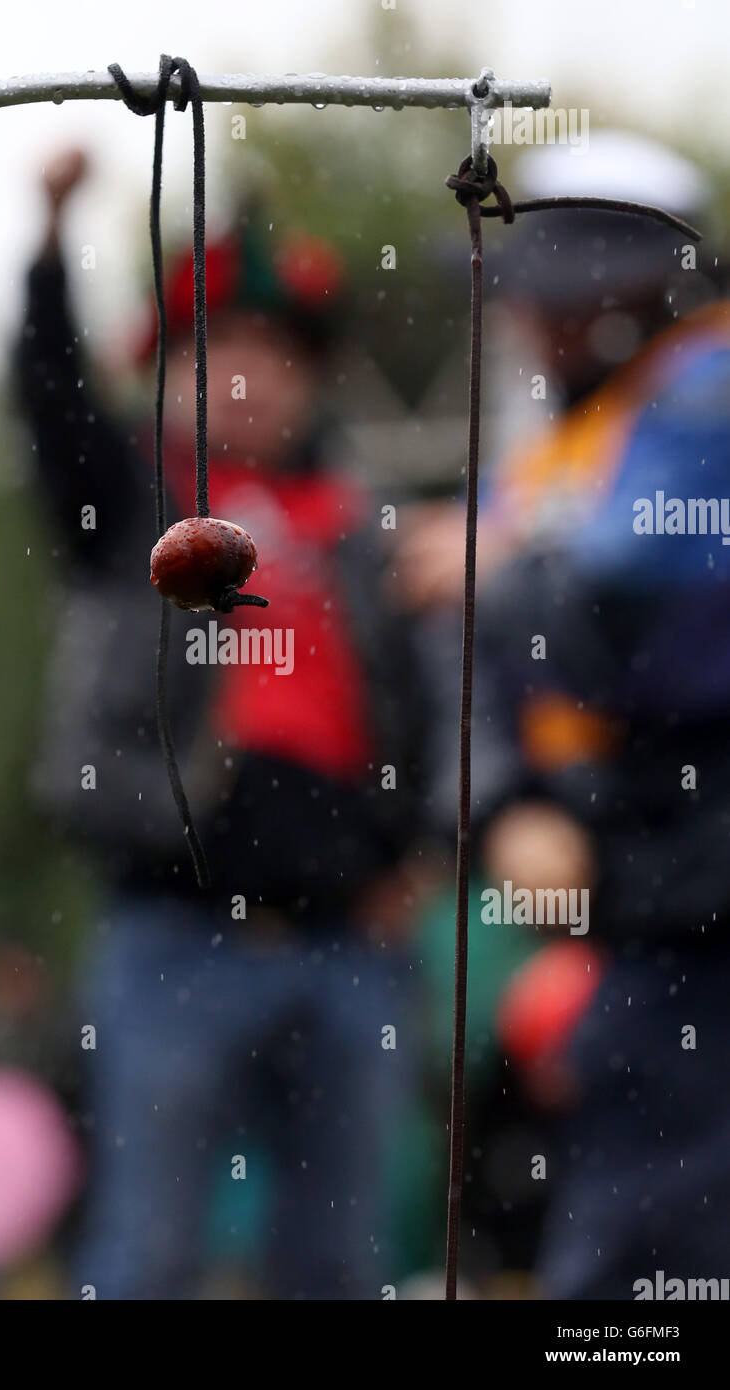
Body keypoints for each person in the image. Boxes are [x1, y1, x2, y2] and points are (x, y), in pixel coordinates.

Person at [12, 147, 433, 1299]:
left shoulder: (368, 527)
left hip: (347, 943)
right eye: (218, 352)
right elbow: (48, 403)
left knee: (341, 1262)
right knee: (147, 1255)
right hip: (172, 936)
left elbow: (435, 709)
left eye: (273, 354)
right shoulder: (130, 504)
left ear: (311, 378)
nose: (247, 377)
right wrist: (51, 245)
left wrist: (423, 852)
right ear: (171, 370)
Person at [399, 132, 730, 1299]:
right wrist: (509, 805)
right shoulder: (558, 454)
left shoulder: (708, 389)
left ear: (635, 290)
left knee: (647, 1249)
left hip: (700, 891)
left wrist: (497, 569)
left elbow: (621, 608)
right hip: (636, 901)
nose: (529, 320)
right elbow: (459, 648)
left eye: (558, 290)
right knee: (628, 1231)